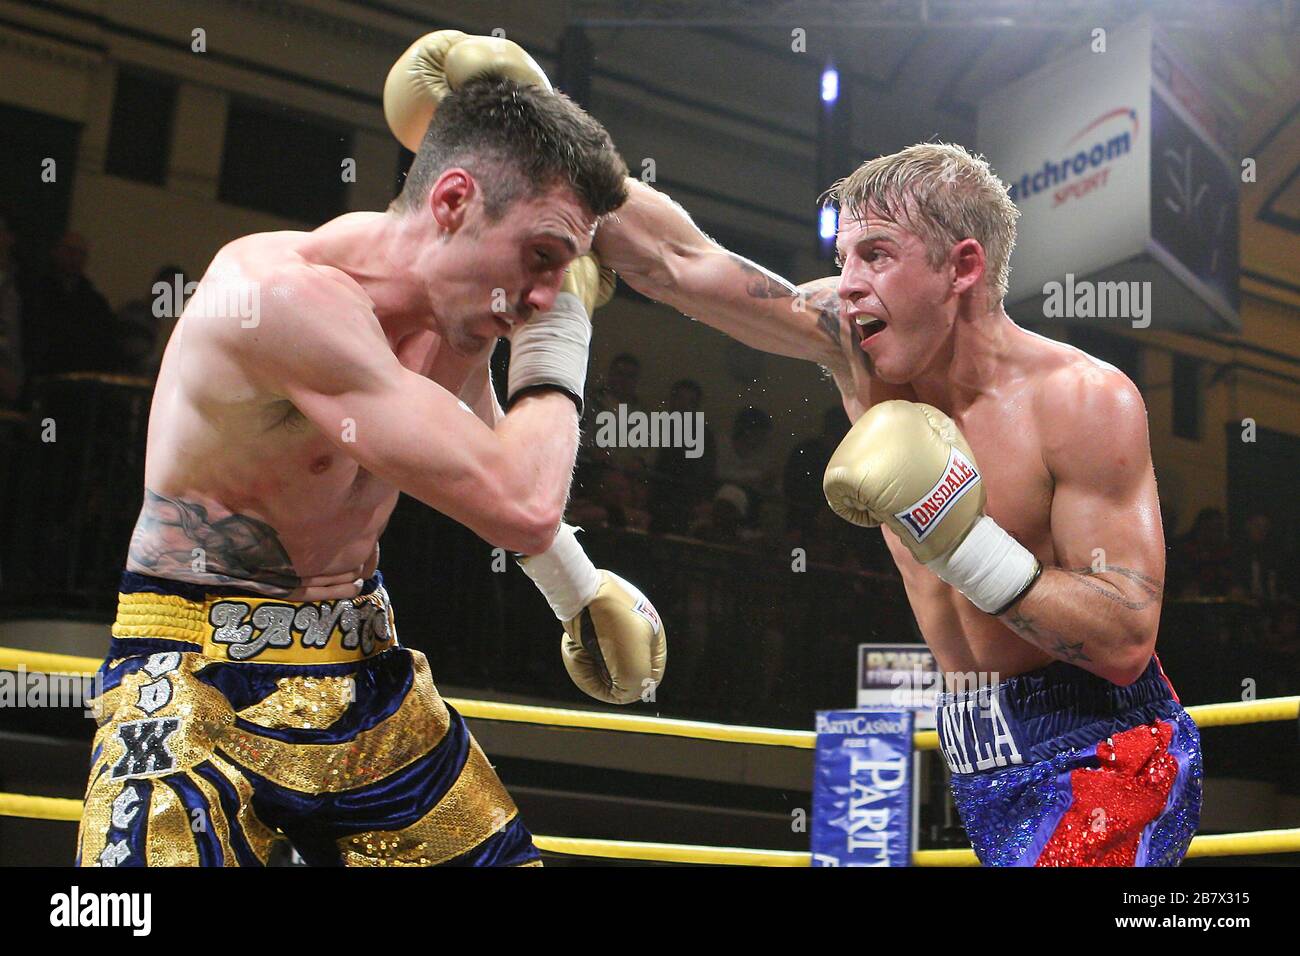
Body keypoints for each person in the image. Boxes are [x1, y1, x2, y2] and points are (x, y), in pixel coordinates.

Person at [78, 31, 665, 868]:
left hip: (365, 664)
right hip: (193, 672)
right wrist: (561, 331)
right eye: (540, 258)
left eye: (560, 270)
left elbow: (484, 474)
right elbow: (520, 498)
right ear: (454, 200)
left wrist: (577, 591)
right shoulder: (280, 295)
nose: (539, 296)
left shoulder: (458, 317)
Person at [596, 141, 1200, 866]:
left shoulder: (1081, 399)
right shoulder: (854, 344)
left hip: (1105, 748)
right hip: (978, 749)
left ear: (963, 267)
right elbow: (678, 264)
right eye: (843, 256)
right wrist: (544, 141)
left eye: (876, 255)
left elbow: (1126, 641)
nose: (845, 285)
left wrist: (963, 542)